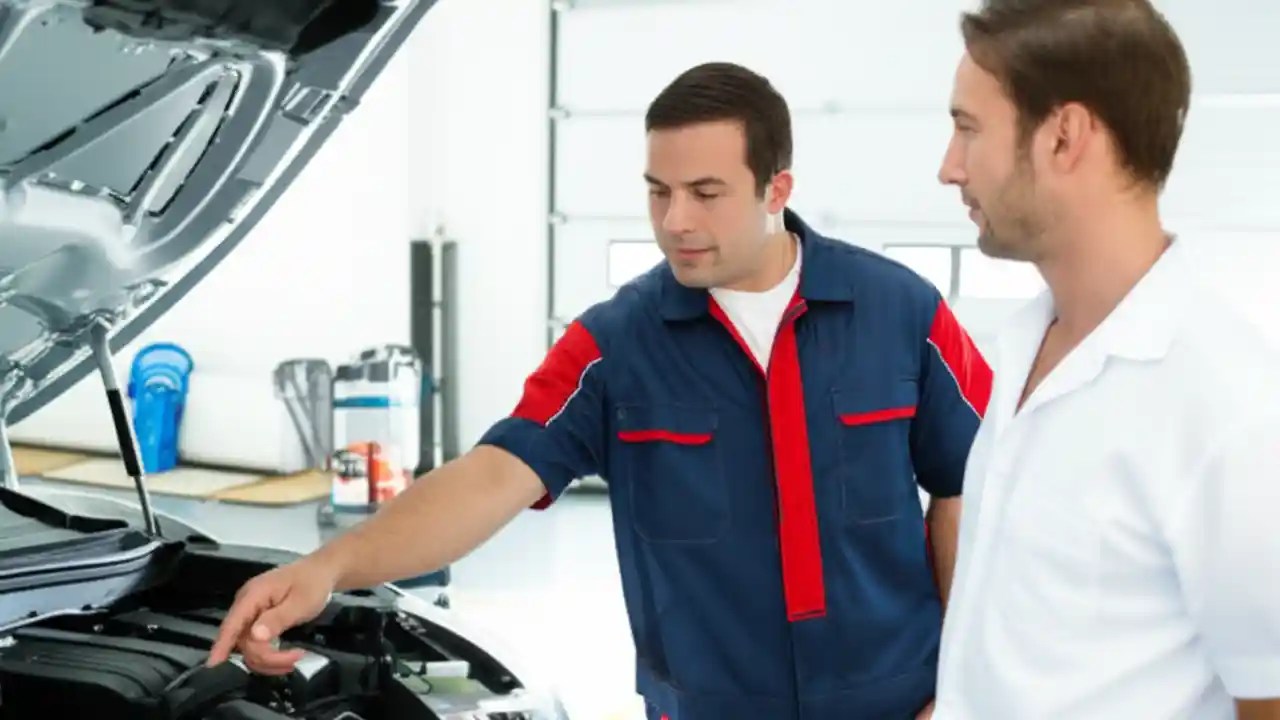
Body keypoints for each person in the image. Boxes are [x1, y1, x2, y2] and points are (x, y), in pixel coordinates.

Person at [207, 61, 993, 719]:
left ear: (776, 187)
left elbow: (974, 488)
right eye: (659, 191)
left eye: (706, 192)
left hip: (899, 705)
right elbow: (490, 477)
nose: (675, 220)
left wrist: (961, 690)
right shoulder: (615, 344)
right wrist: (330, 567)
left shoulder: (902, 310)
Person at [931, 1, 1280, 718]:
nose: (948, 167)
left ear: (1064, 137)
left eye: (968, 128)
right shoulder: (1028, 344)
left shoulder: (1230, 409)